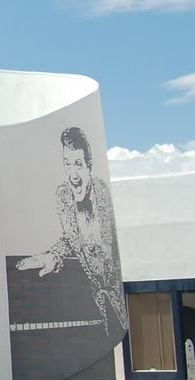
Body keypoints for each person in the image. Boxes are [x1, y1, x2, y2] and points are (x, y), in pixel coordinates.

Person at [15, 126, 128, 333]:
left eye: (78, 164)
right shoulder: (64, 197)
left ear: (89, 166)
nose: (73, 174)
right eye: (67, 164)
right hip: (96, 305)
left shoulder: (102, 193)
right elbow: (72, 239)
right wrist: (54, 256)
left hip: (119, 301)